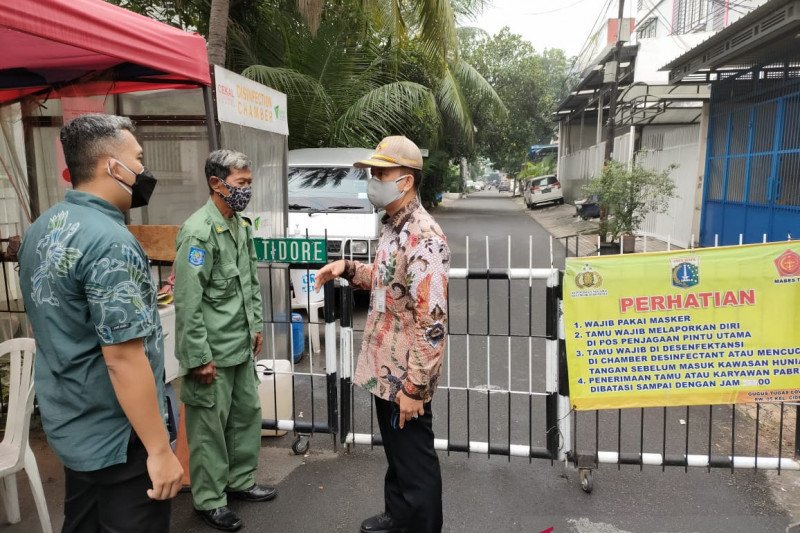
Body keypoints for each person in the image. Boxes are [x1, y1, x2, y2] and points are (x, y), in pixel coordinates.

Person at [18, 114, 183, 532]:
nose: (144, 170)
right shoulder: (109, 241)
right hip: (119, 434)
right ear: (113, 166)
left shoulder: (41, 229)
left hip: (72, 422)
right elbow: (123, 358)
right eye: (139, 159)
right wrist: (159, 451)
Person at [315, 136, 450, 533]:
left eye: (381, 172)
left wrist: (414, 388)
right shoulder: (394, 226)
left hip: (406, 373)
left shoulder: (425, 237)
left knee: (415, 462)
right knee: (397, 453)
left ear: (405, 182)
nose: (372, 179)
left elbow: (433, 322)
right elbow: (389, 281)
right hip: (384, 365)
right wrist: (347, 268)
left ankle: (421, 525)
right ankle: (399, 516)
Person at [174, 149, 275, 532]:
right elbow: (188, 299)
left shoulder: (238, 225)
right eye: (241, 183)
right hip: (211, 352)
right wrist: (198, 356)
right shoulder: (199, 232)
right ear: (217, 184)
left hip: (238, 346)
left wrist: (256, 327)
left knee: (245, 417)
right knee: (209, 430)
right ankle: (210, 500)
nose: (247, 190)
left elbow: (249, 281)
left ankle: (240, 481)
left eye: (249, 182)